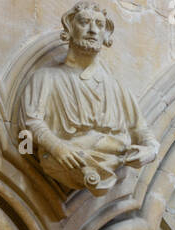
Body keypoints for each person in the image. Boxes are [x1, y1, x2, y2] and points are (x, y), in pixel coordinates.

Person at [17, 3, 159, 196]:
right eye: (84, 22)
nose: (92, 30)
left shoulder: (116, 87)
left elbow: (140, 129)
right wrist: (57, 147)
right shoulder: (46, 78)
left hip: (113, 157)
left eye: (100, 25)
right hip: (65, 158)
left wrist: (151, 150)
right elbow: (30, 122)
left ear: (106, 34)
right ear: (69, 28)